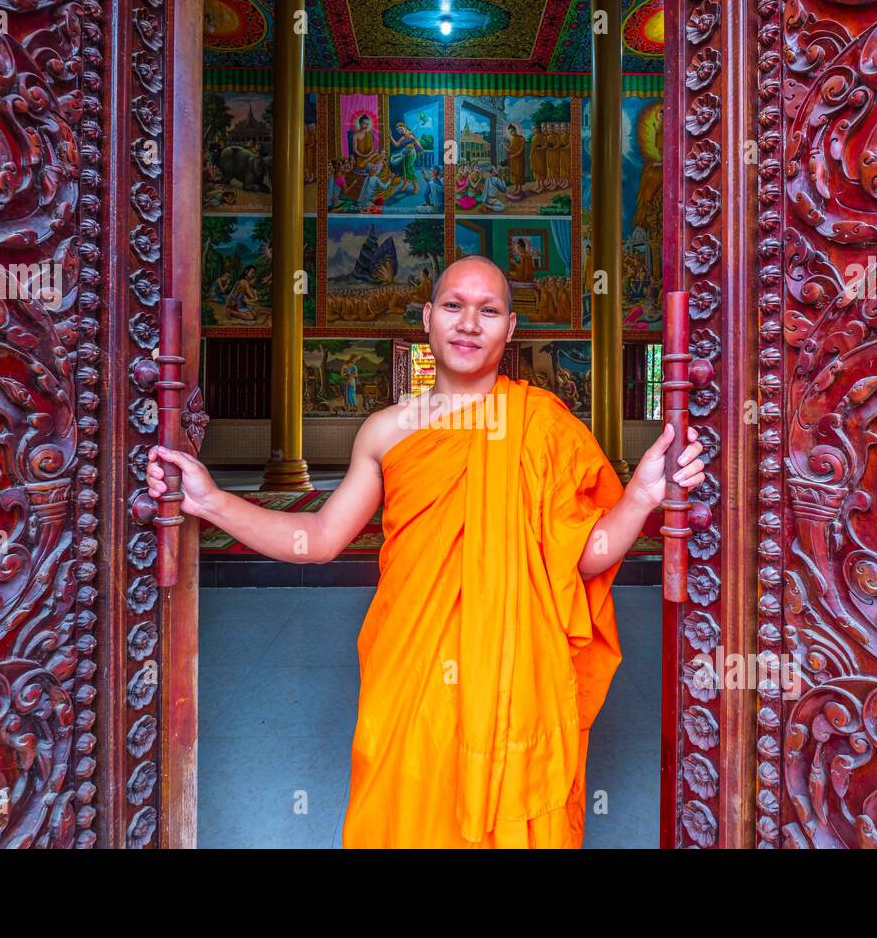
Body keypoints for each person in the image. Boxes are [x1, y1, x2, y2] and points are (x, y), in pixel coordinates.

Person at [146, 255, 705, 849]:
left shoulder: (543, 426)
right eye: (454, 306)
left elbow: (586, 557)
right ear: (427, 318)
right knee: (408, 807)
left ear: (510, 329)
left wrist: (640, 497)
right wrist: (210, 502)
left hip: (517, 671)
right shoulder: (387, 430)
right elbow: (317, 540)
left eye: (489, 310)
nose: (469, 323)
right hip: (409, 663)